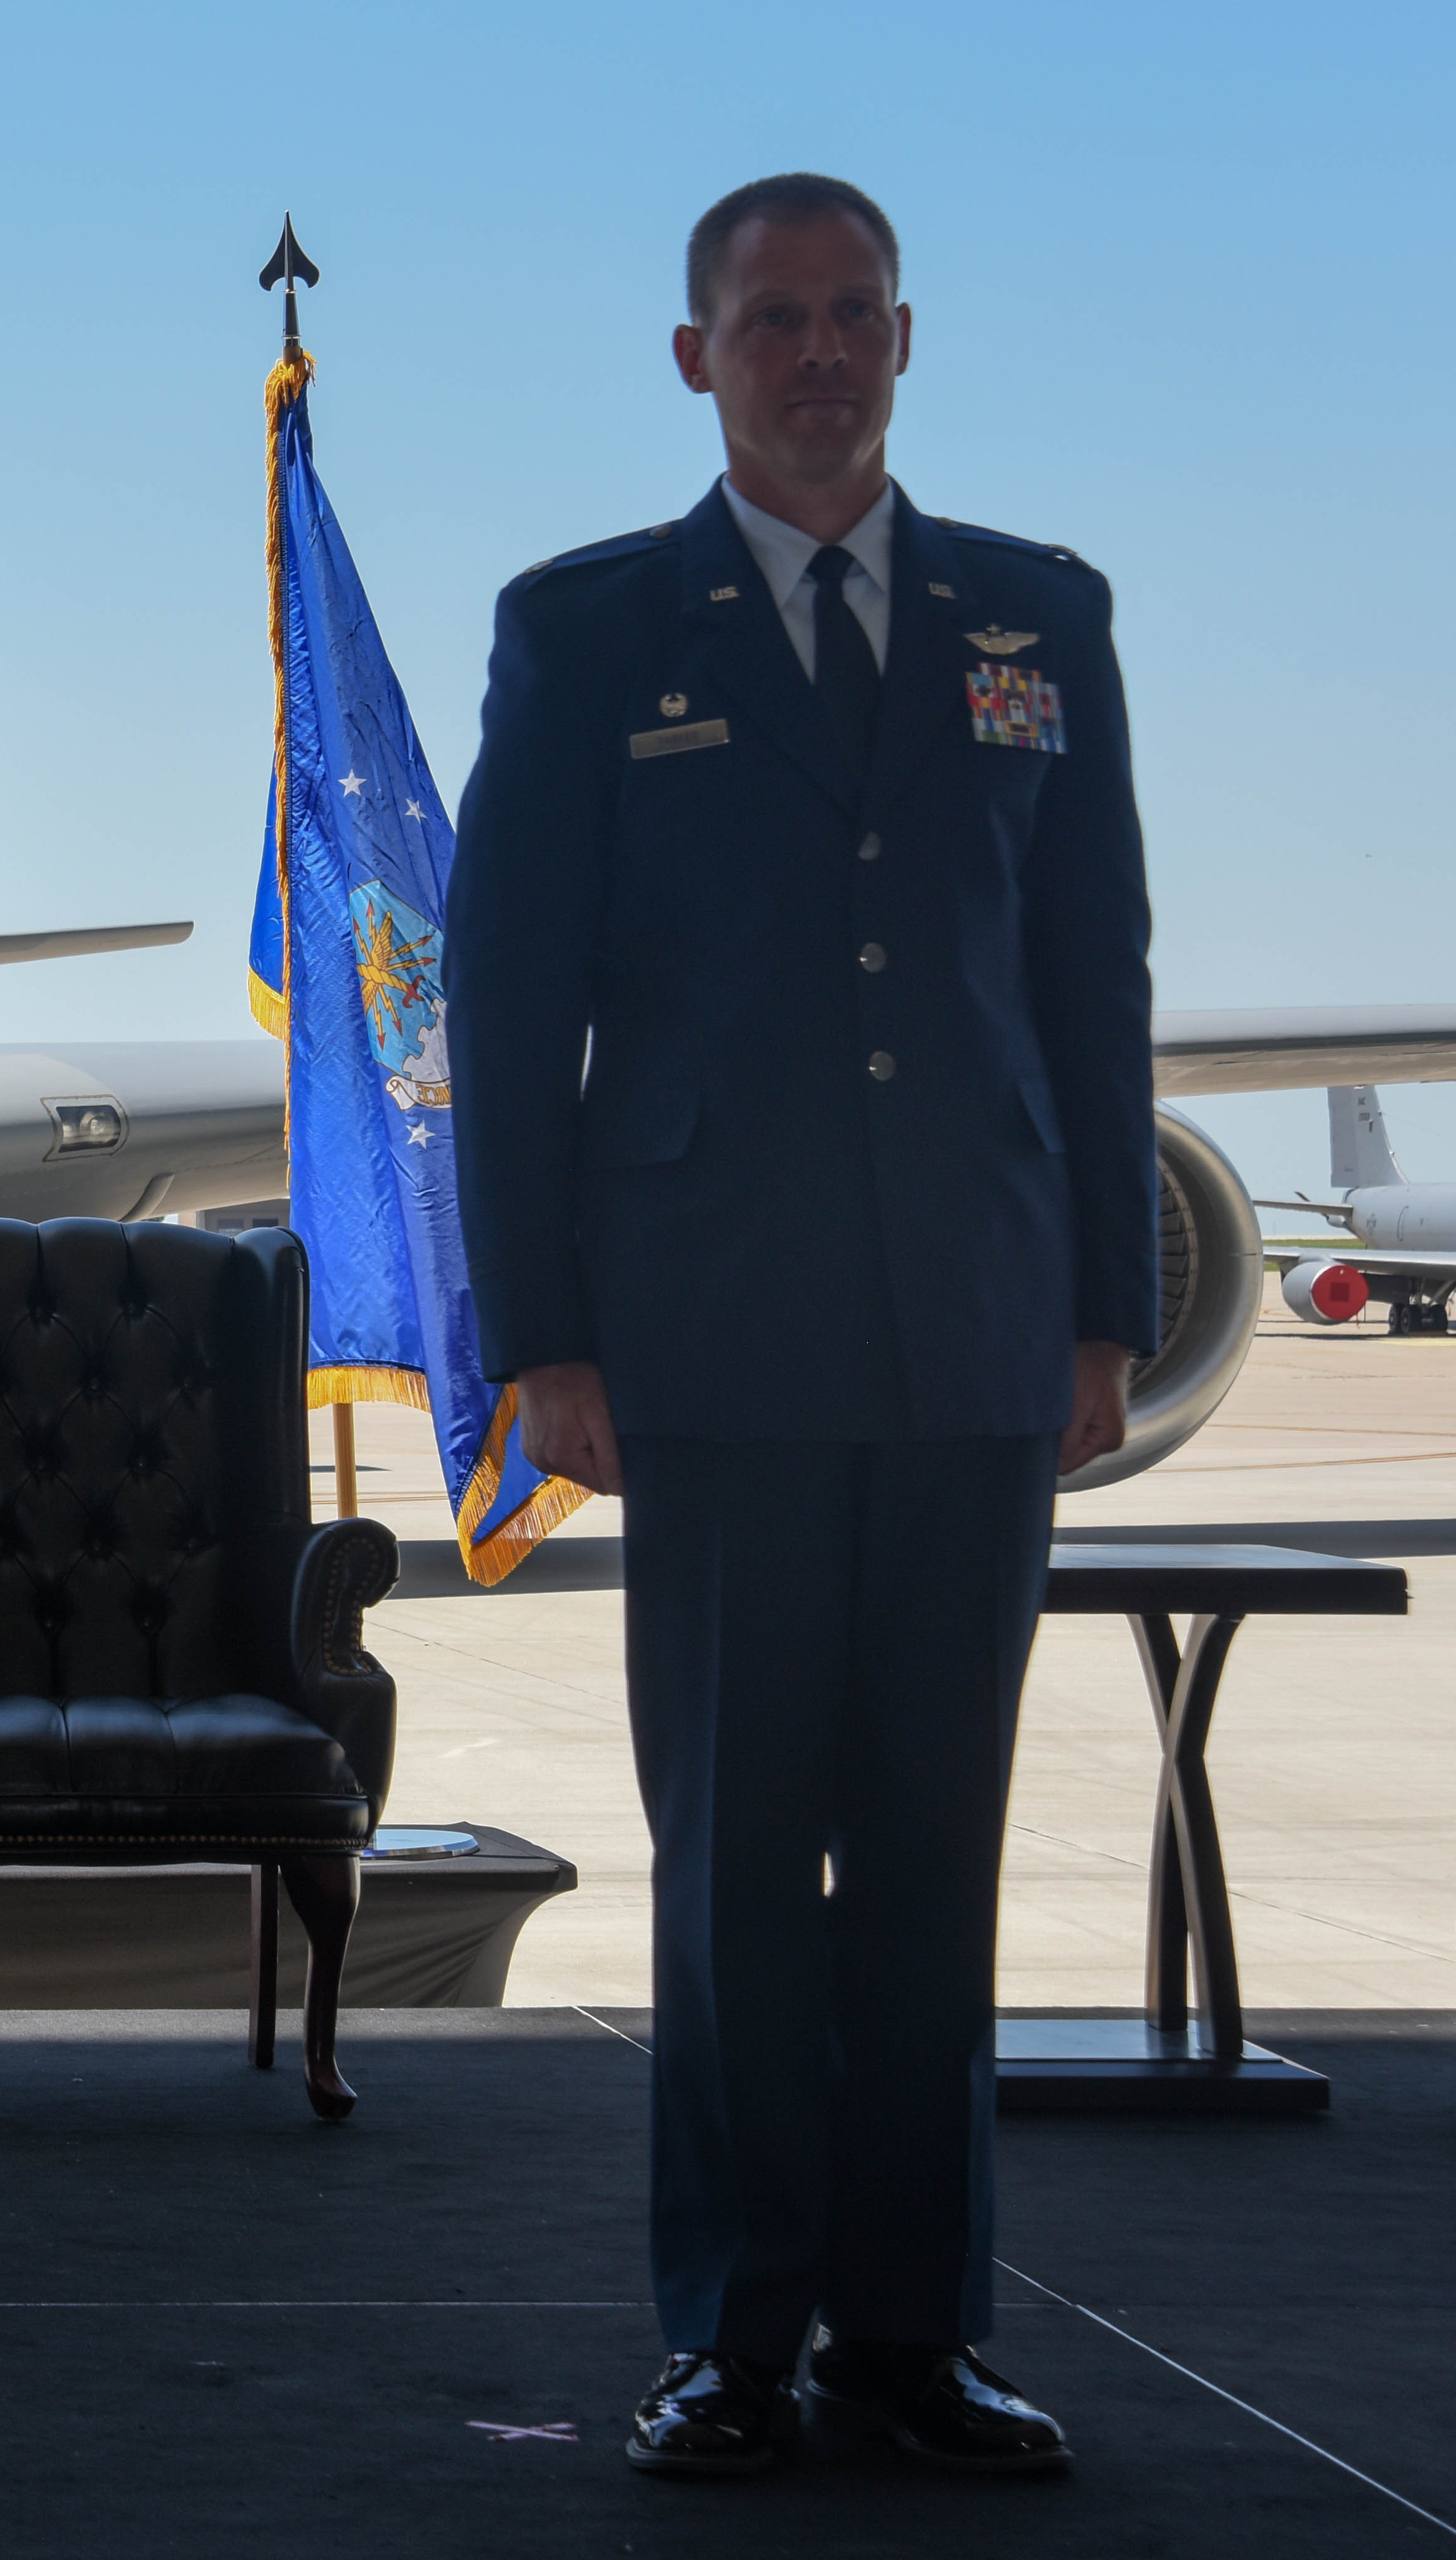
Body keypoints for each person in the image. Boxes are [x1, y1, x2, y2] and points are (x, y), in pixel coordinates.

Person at [446, 173, 1151, 2481]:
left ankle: (917, 2339)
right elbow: (507, 1002)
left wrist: (1106, 1308)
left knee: (937, 1857)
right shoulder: (587, 630)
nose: (819, 354)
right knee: (741, 1865)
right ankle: (735, 2339)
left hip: (973, 1333)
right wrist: (541, 1334)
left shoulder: (1037, 616)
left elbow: (1092, 978)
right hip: (712, 1341)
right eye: (774, 321)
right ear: (699, 359)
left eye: (854, 315)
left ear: (906, 341)